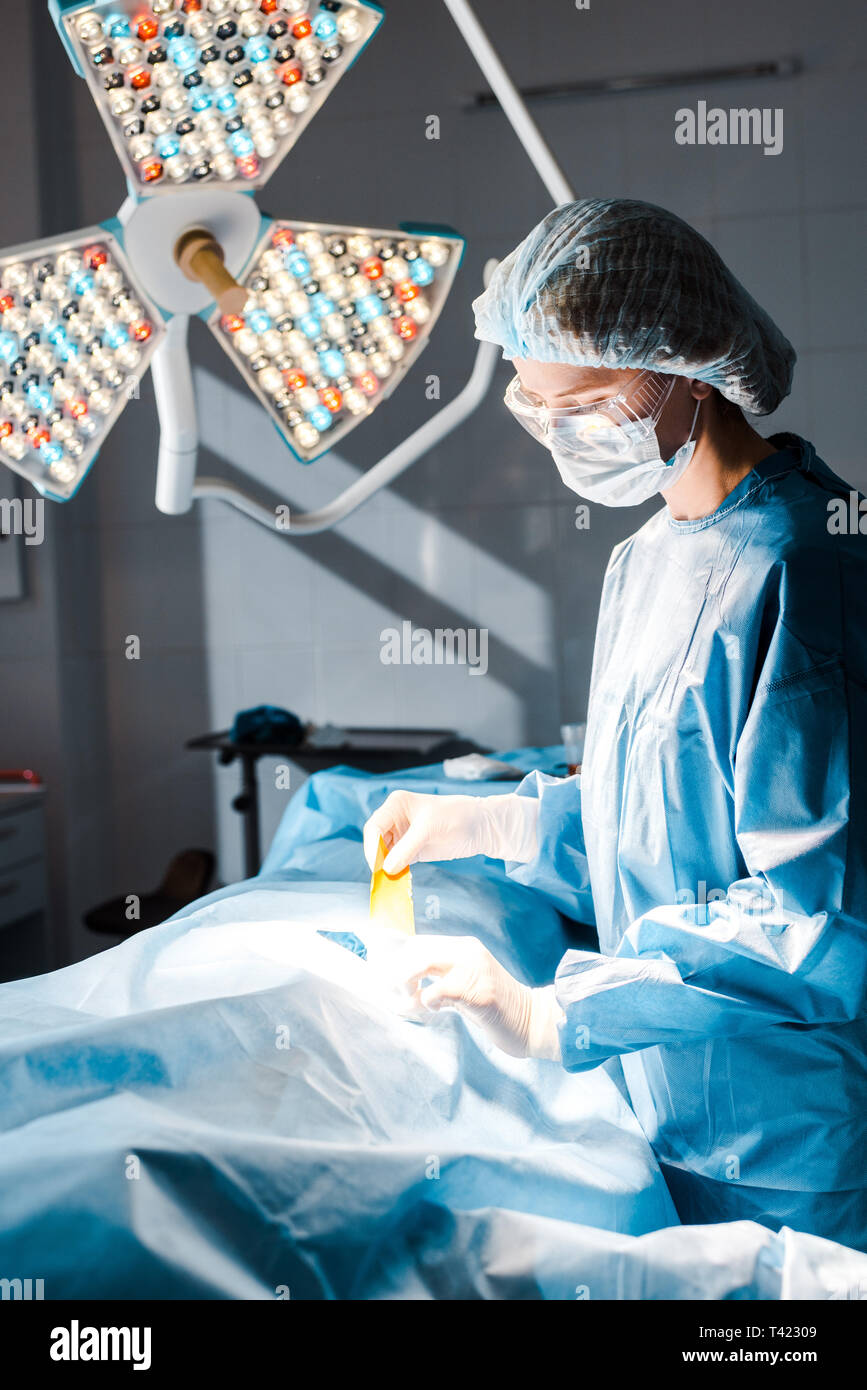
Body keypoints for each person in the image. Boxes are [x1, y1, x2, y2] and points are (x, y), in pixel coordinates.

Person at [363, 199, 867, 1251]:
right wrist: (489, 826)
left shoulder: (807, 564)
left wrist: (561, 1016)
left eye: (582, 403)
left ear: (679, 364)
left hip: (796, 1150)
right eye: (537, 410)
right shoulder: (643, 561)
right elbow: (661, 817)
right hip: (660, 1107)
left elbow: (816, 920)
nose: (562, 435)